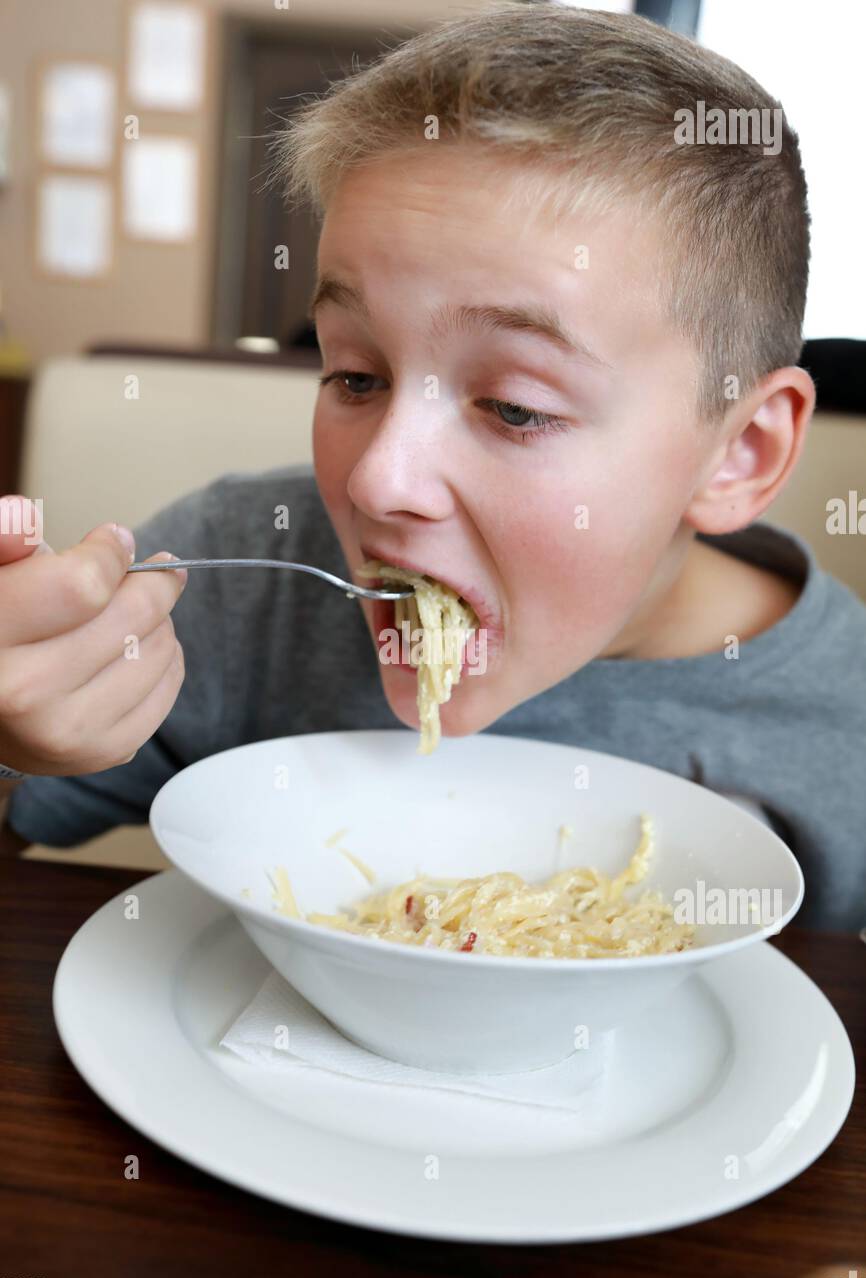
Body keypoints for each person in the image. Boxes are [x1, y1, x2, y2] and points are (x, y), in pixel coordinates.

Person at [2, 4, 865, 933]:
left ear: (741, 452)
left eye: (515, 407)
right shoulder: (231, 585)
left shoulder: (841, 715)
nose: (379, 481)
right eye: (355, 375)